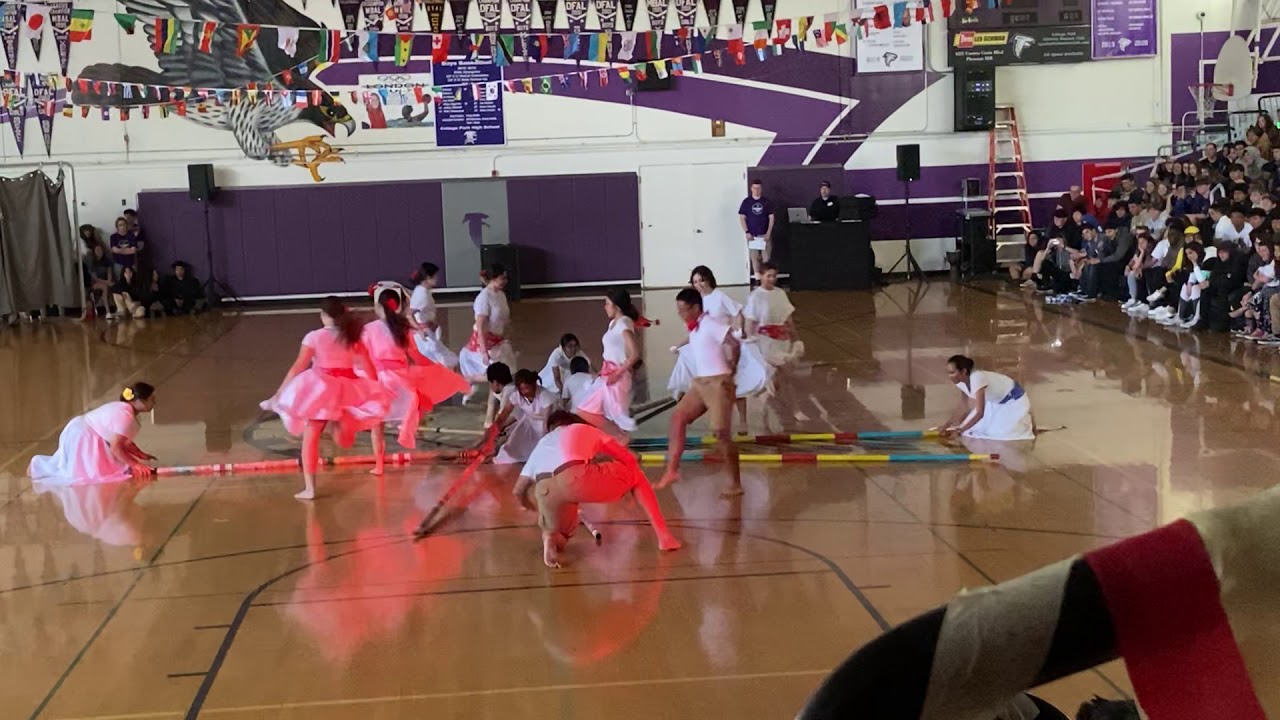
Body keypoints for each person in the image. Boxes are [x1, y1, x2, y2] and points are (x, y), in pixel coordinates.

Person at [515, 411, 681, 568]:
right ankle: (664, 538)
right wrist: (632, 462)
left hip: (544, 489)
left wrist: (529, 505)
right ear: (571, 420)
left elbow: (518, 490)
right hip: (574, 477)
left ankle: (549, 537)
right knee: (636, 475)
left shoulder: (543, 442)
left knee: (560, 536)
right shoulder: (582, 428)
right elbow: (627, 457)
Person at [261, 297, 389, 500]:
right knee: (342, 436)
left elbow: (298, 367)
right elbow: (368, 366)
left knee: (311, 435)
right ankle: (339, 426)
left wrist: (279, 393)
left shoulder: (314, 337)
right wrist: (375, 390)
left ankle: (310, 488)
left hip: (321, 389)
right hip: (348, 387)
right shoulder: (352, 337)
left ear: (323, 316)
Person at [363, 288, 469, 474]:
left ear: (379, 307)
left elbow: (365, 358)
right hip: (402, 380)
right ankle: (404, 425)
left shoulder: (369, 329)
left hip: (381, 380)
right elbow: (416, 356)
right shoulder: (403, 328)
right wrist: (438, 370)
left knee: (377, 425)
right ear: (399, 306)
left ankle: (379, 465)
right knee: (416, 400)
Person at [656, 288, 743, 497]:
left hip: (718, 382)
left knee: (721, 433)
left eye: (683, 310)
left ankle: (735, 483)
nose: (681, 315)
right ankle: (672, 471)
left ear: (696, 308)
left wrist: (732, 367)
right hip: (701, 382)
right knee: (678, 417)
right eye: (679, 311)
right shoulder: (695, 329)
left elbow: (734, 343)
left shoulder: (711, 324)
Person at [667, 266, 772, 419]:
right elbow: (695, 331)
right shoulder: (697, 301)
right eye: (695, 282)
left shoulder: (719, 296)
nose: (699, 284)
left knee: (737, 383)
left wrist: (739, 329)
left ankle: (742, 419)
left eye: (701, 280)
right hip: (708, 348)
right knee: (687, 360)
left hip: (724, 344)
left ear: (708, 279)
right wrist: (680, 345)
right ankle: (685, 401)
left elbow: (737, 312)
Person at [29, 382, 158, 483]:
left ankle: (39, 466)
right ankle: (38, 465)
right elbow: (116, 447)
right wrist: (135, 464)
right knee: (84, 473)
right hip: (84, 435)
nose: (154, 402)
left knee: (72, 467)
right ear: (139, 401)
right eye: (151, 399)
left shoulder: (123, 410)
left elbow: (123, 440)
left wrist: (139, 454)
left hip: (81, 430)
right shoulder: (125, 415)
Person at [576, 288, 643, 435]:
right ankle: (618, 438)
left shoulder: (624, 323)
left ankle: (620, 439)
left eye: (607, 303)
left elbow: (634, 354)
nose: (605, 307)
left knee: (611, 414)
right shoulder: (613, 323)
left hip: (617, 377)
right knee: (586, 410)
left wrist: (617, 373)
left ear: (616, 306)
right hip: (608, 375)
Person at [744, 262, 806, 418]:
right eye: (768, 276)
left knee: (781, 375)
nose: (772, 279)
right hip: (766, 342)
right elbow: (750, 323)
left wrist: (796, 339)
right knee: (787, 374)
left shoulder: (780, 293)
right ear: (761, 276)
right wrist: (750, 345)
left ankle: (766, 394)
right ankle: (796, 410)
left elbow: (788, 319)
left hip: (783, 340)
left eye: (774, 276)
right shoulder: (755, 297)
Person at [940, 355, 1034, 442]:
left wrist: (960, 431)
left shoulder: (977, 378)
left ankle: (1025, 416)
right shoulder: (960, 382)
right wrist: (946, 425)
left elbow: (980, 413)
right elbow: (963, 407)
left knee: (998, 434)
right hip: (994, 402)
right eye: (948, 373)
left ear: (963, 372)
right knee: (973, 430)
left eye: (952, 372)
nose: (949, 376)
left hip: (1013, 401)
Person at [478, 368, 561, 465]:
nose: (525, 391)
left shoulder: (545, 396)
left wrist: (546, 438)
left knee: (542, 450)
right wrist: (494, 431)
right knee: (512, 445)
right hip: (529, 422)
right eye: (522, 389)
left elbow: (546, 422)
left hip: (548, 424)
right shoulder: (517, 395)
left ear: (534, 385)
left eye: (527, 388)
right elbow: (504, 414)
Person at [458, 264, 516, 387]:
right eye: (502, 278)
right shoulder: (484, 298)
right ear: (493, 278)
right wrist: (483, 351)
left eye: (505, 278)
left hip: (497, 340)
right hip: (485, 341)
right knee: (499, 373)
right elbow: (481, 326)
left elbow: (504, 319)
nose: (505, 281)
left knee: (509, 371)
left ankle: (494, 397)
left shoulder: (501, 294)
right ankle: (472, 379)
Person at [407, 262, 459, 368]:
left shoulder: (423, 291)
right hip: (424, 336)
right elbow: (409, 314)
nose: (437, 279)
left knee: (445, 360)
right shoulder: (421, 295)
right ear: (428, 278)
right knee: (443, 361)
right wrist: (419, 330)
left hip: (428, 331)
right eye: (435, 276)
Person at [738, 180, 775, 277]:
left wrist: (768, 233)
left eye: (758, 188)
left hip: (764, 235)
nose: (756, 190)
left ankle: (766, 278)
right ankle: (757, 278)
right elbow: (742, 218)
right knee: (754, 258)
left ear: (761, 189)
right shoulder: (746, 202)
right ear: (751, 189)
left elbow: (771, 218)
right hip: (752, 236)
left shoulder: (767, 202)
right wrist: (747, 232)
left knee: (766, 258)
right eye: (754, 188)